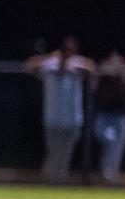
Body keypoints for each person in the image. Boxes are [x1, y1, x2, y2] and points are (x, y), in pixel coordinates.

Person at [24, 36, 94, 180]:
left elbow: (92, 67)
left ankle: (59, 180)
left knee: (66, 153)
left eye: (71, 49)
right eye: (66, 49)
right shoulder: (51, 64)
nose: (69, 51)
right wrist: (50, 56)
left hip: (73, 119)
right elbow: (29, 66)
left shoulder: (77, 64)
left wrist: (74, 64)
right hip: (53, 118)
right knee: (53, 152)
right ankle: (50, 180)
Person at [89, 50, 125, 183]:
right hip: (103, 118)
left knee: (119, 144)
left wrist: (124, 71)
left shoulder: (124, 75)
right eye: (113, 61)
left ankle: (112, 175)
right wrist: (105, 68)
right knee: (110, 141)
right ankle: (106, 172)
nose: (116, 64)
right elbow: (92, 81)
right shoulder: (103, 75)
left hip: (120, 118)